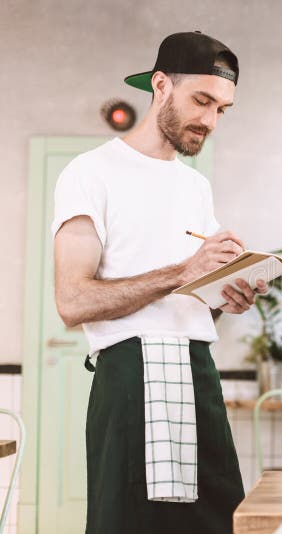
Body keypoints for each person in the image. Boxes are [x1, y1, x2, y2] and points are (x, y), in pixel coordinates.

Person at [52, 32, 263, 534]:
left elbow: (189, 297)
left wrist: (224, 294)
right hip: (130, 374)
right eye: (202, 101)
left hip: (198, 371)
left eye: (222, 110)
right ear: (162, 85)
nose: (210, 121)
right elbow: (72, 300)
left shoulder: (195, 185)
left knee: (216, 525)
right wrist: (182, 272)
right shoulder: (90, 173)